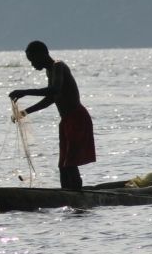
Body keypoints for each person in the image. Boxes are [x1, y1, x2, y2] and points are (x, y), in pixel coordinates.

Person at [8, 41, 95, 189]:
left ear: (42, 54)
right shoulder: (50, 71)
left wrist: (24, 91)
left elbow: (54, 90)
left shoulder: (58, 66)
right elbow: (50, 99)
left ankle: (77, 196)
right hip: (66, 121)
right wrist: (24, 112)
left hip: (77, 118)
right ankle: (66, 194)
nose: (32, 64)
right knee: (63, 164)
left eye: (33, 60)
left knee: (70, 163)